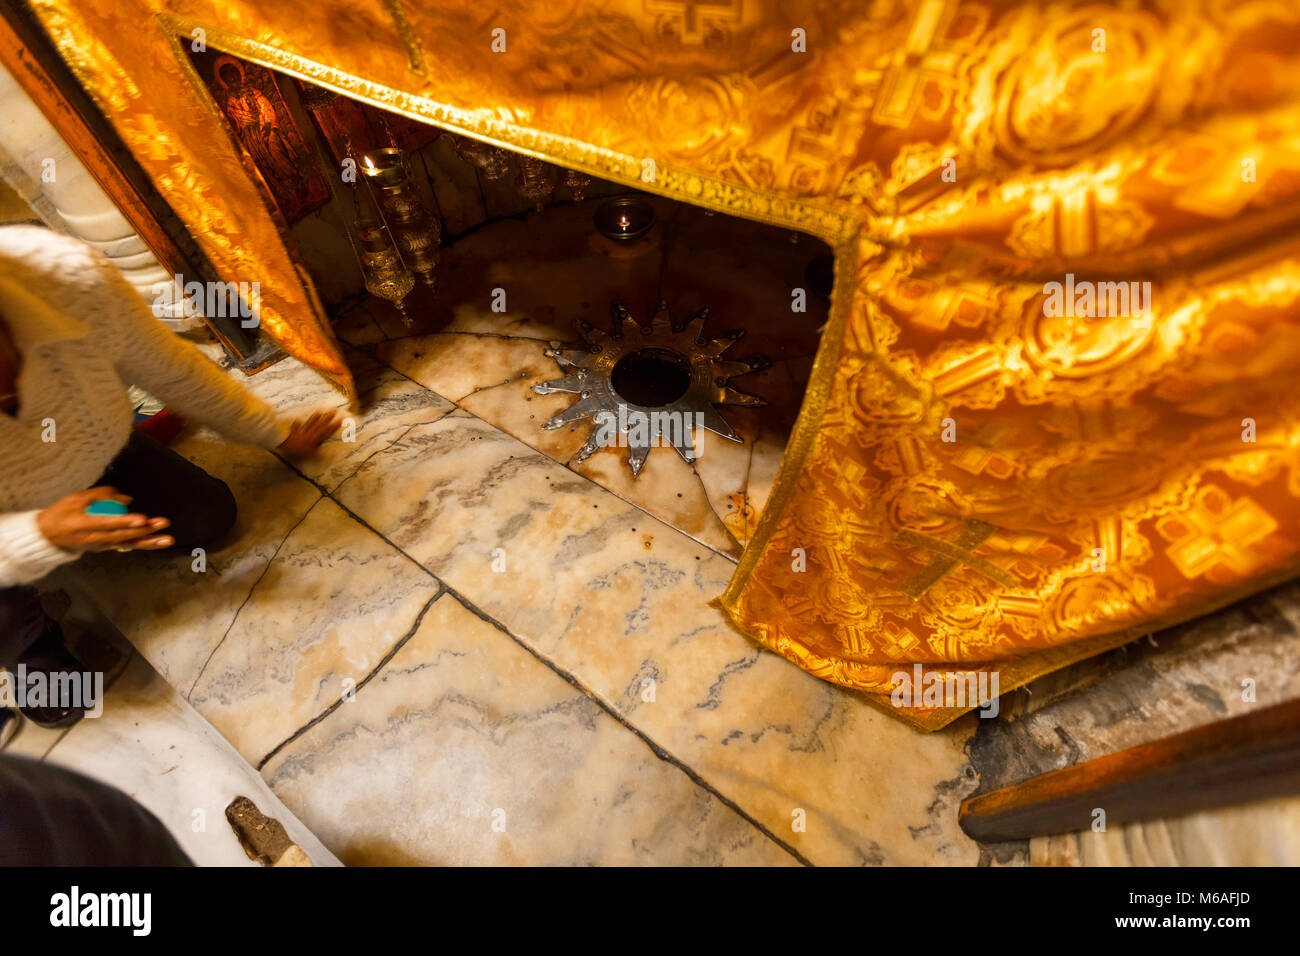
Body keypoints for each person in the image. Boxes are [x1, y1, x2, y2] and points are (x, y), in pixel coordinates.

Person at [0, 224, 340, 726]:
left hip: (89, 451)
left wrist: (274, 434)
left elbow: (173, 369)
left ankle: (81, 531)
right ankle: (30, 641)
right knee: (44, 678)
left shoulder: (64, 274)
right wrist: (38, 536)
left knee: (209, 516)